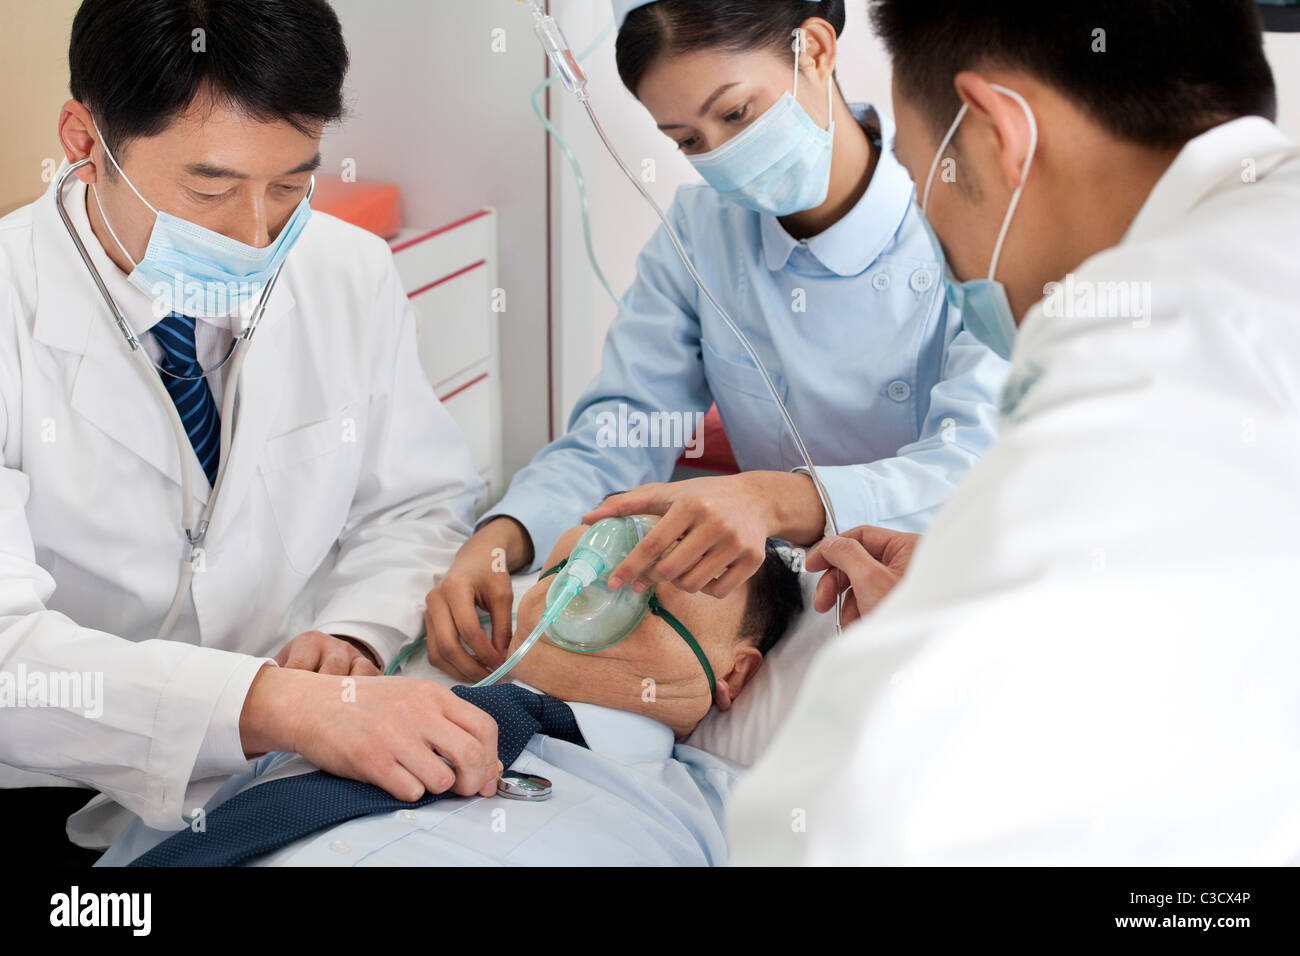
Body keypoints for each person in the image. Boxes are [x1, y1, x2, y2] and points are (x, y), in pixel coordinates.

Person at [729, 0, 1300, 864]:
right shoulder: (1256, 252)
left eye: (924, 194)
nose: (943, 253)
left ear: (1000, 133)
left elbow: (856, 824)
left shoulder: (1156, 340)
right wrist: (976, 580)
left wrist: (963, 617)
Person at [0, 0, 502, 862]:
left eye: (292, 184)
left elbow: (416, 506)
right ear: (84, 143)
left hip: (291, 755)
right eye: (210, 188)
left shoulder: (349, 273)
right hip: (56, 774)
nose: (257, 235)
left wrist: (353, 634)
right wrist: (267, 702)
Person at [424, 0, 1009, 683]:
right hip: (775, 614)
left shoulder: (963, 218)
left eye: (736, 114)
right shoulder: (701, 233)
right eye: (689, 141)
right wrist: (502, 537)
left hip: (938, 600)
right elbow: (626, 428)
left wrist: (779, 500)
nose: (724, 156)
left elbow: (974, 461)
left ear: (815, 49)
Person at [98, 532, 807, 866]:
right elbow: (127, 814)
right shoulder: (339, 701)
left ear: (735, 674)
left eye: (691, 552)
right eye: (620, 523)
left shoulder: (733, 820)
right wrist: (271, 709)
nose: (629, 553)